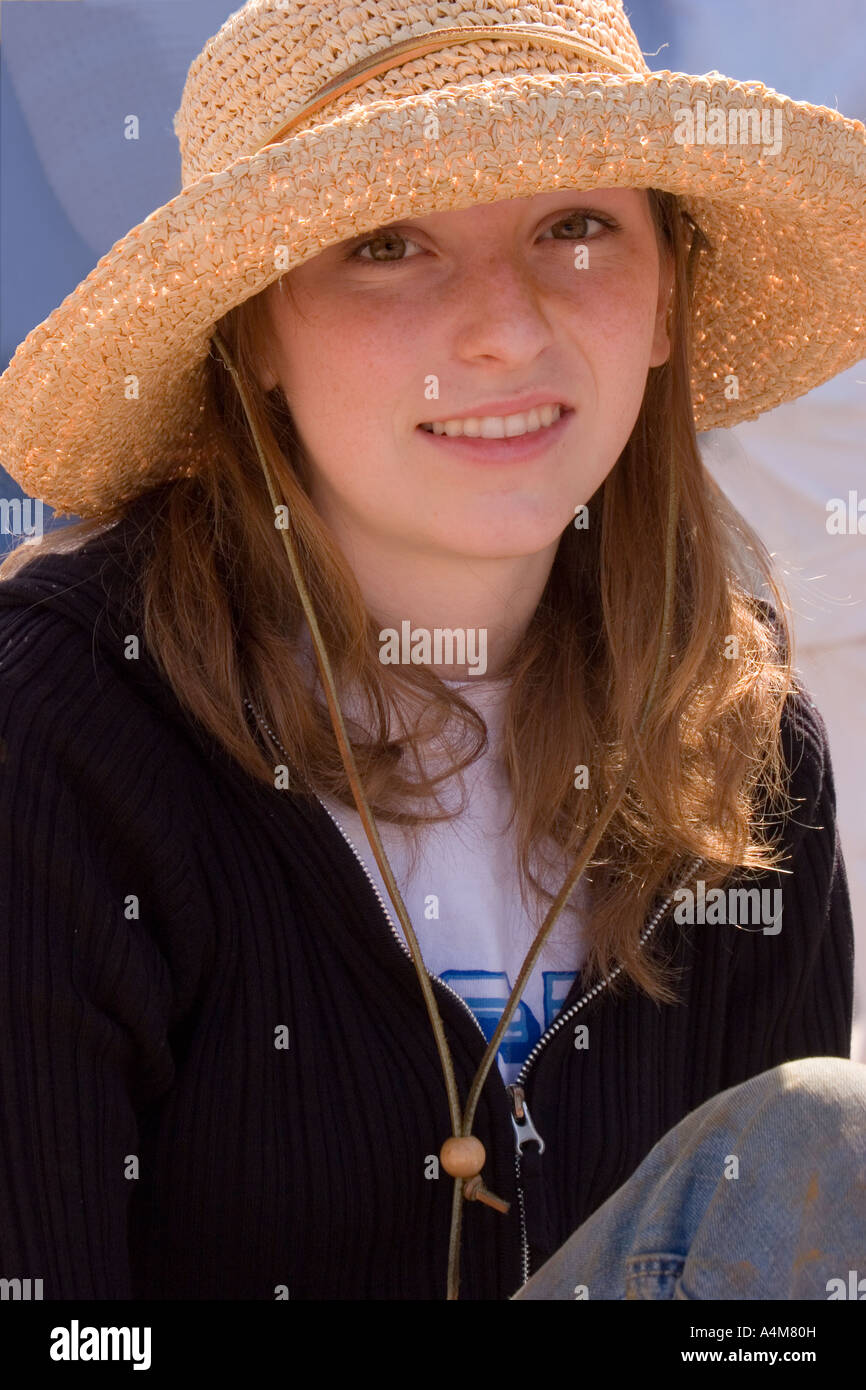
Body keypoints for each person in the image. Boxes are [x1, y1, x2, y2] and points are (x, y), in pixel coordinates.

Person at [0, 0, 863, 1302]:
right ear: (254, 333)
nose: (503, 328)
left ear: (666, 296)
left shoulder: (745, 750)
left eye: (572, 226)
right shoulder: (54, 728)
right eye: (385, 243)